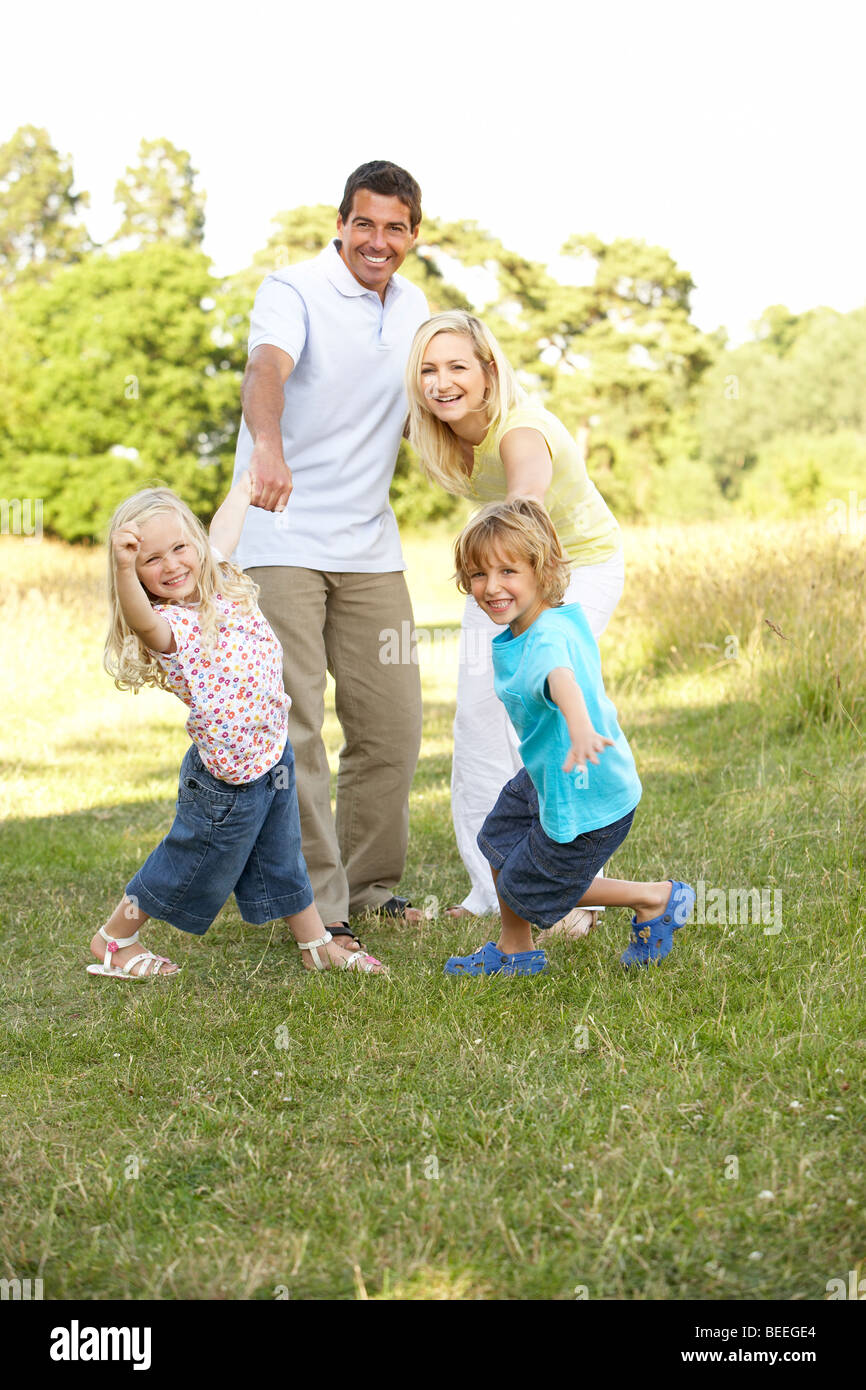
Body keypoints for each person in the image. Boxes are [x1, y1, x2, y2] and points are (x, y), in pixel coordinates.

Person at [230, 161, 430, 951]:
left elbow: (431, 409)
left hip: (371, 547)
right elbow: (265, 371)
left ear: (414, 234)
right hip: (280, 538)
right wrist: (269, 450)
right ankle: (321, 909)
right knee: (297, 724)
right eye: (365, 223)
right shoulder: (293, 288)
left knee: (395, 723)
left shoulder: (415, 308)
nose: (378, 241)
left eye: (396, 227)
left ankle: (374, 884)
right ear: (341, 222)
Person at [88, 480, 386, 980]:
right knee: (190, 861)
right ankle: (115, 939)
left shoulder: (221, 578)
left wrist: (244, 487)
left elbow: (224, 527)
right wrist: (120, 566)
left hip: (272, 753)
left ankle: (316, 942)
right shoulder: (169, 624)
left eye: (181, 548)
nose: (172, 565)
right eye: (151, 560)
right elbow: (139, 619)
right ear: (138, 574)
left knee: (283, 854)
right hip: (226, 778)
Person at [406, 311, 625, 932]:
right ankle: (491, 881)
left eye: (456, 367)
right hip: (506, 570)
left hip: (578, 566)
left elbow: (526, 494)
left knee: (541, 711)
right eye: (428, 369)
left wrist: (501, 566)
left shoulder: (521, 429)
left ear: (489, 371)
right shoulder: (441, 427)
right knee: (478, 713)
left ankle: (568, 886)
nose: (441, 382)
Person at [442, 499, 695, 976]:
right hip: (547, 776)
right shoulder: (551, 620)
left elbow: (561, 678)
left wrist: (580, 729)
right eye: (478, 574)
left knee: (530, 881)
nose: (491, 587)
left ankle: (655, 897)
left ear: (543, 570)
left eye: (508, 571)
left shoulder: (545, 640)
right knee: (498, 839)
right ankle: (515, 949)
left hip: (584, 789)